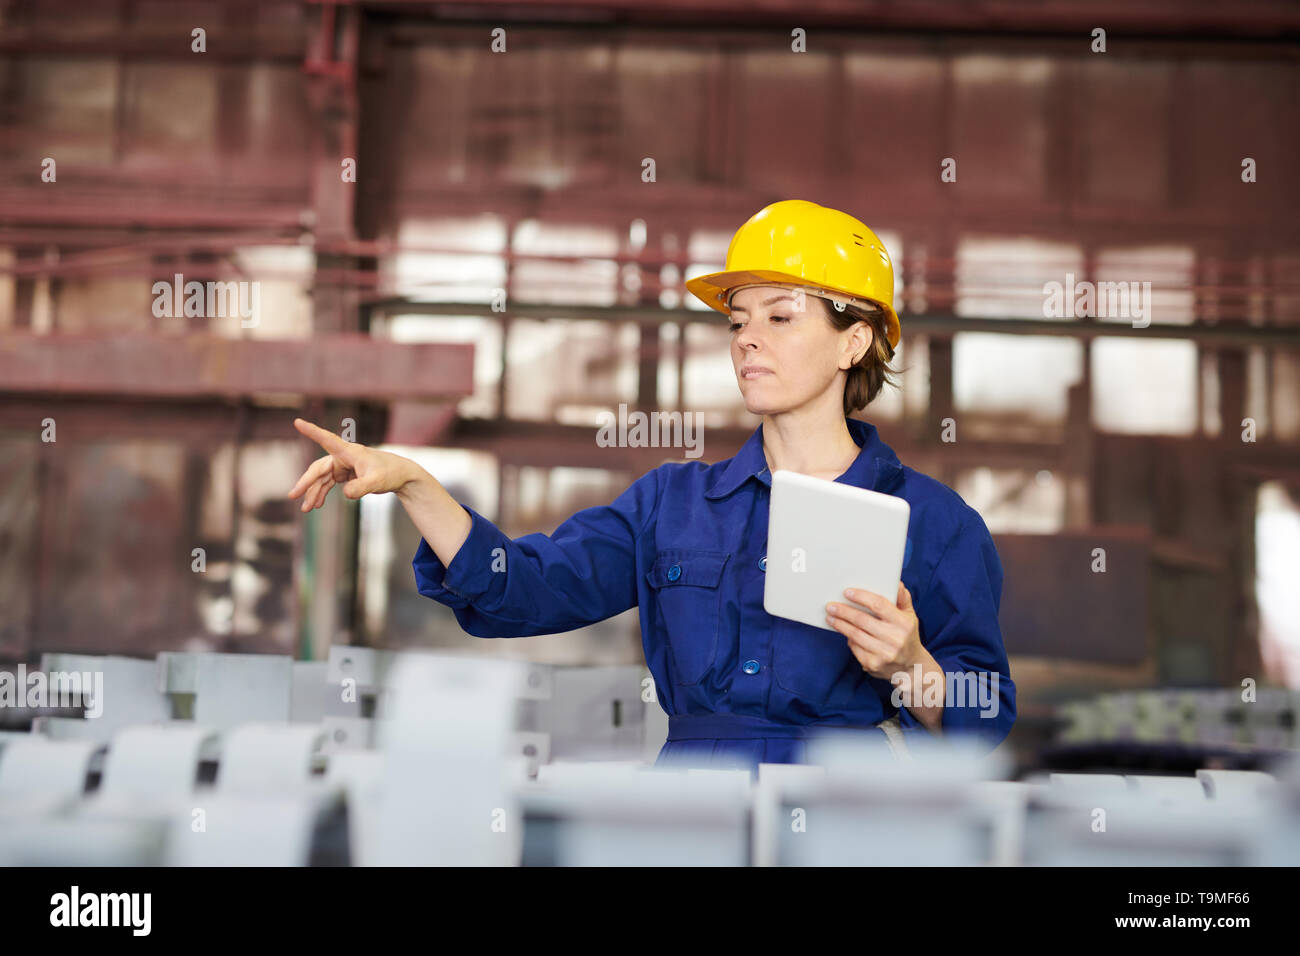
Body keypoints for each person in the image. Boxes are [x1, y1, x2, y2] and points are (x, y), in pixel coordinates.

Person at [288, 199, 1016, 770]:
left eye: (780, 317)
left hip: (845, 822)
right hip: (689, 815)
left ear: (852, 342)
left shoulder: (933, 522)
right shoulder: (672, 505)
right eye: (737, 321)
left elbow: (982, 720)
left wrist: (913, 667)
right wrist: (418, 485)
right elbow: (525, 589)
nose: (747, 339)